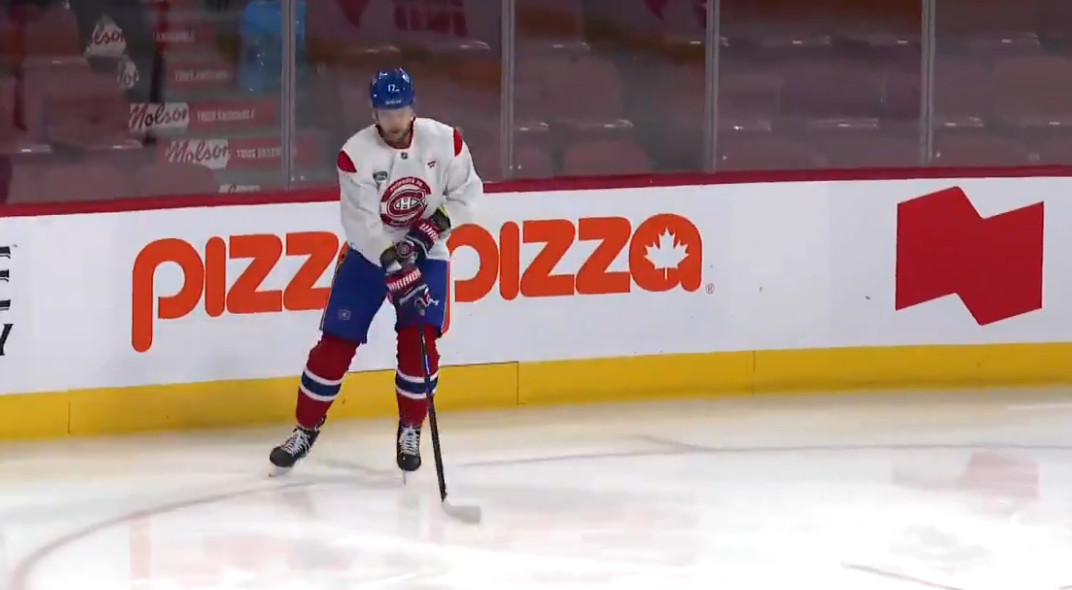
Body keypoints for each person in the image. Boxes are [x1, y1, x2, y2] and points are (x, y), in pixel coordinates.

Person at [269, 67, 483, 475]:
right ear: (374, 112)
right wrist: (391, 263)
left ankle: (410, 428)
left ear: (412, 107)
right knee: (335, 345)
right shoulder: (355, 154)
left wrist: (429, 231)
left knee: (420, 343)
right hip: (369, 258)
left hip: (428, 254)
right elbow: (362, 223)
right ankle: (305, 429)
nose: (394, 121)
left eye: (400, 111)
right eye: (386, 113)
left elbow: (469, 194)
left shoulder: (446, 140)